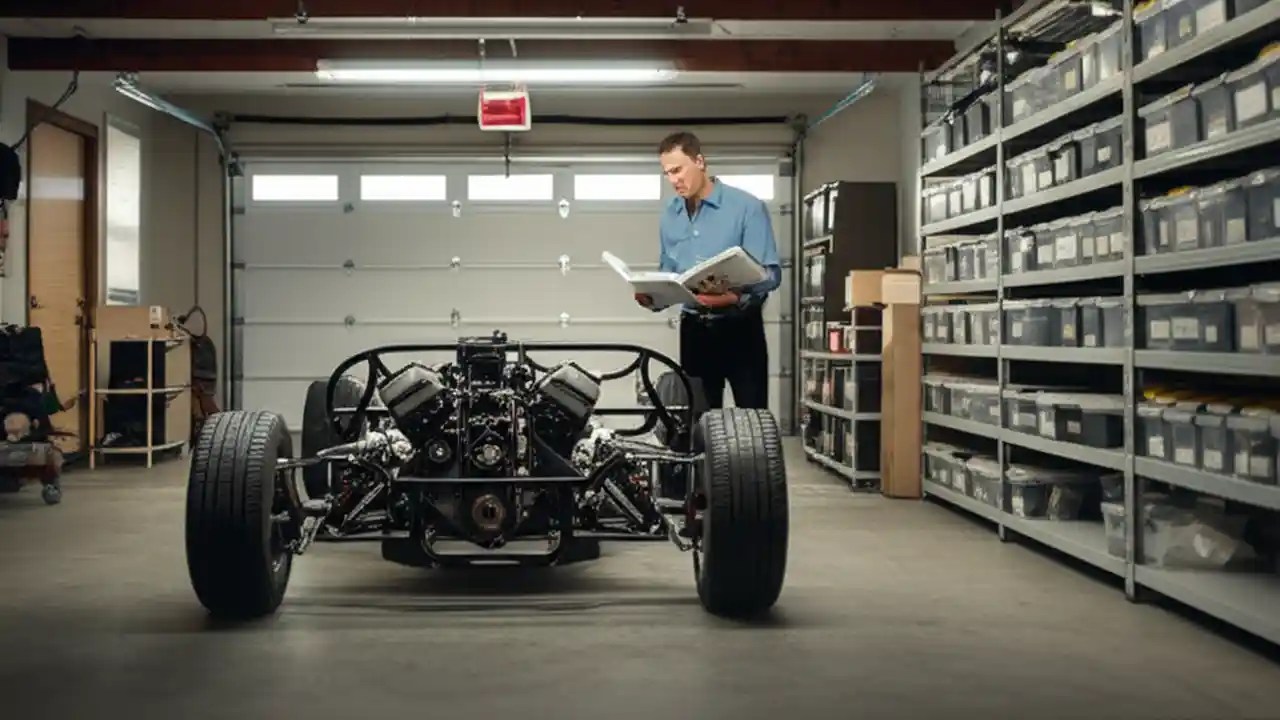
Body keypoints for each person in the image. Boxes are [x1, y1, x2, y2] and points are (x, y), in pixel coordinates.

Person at [635, 131, 781, 410]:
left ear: (699, 161)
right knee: (697, 424)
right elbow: (669, 271)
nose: (673, 180)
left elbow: (771, 275)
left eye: (678, 170)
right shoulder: (670, 214)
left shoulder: (747, 208)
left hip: (741, 330)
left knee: (752, 422)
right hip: (695, 333)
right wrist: (653, 297)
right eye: (667, 173)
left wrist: (735, 298)